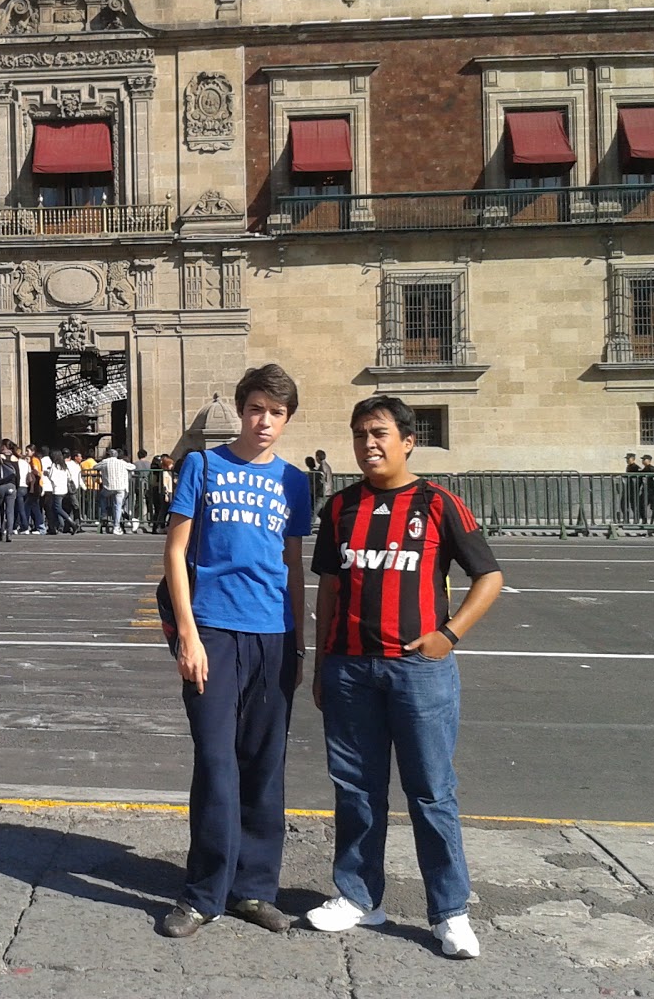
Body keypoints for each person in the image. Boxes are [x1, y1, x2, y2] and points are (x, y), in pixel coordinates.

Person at [307, 395, 504, 961]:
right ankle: (359, 897)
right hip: (349, 669)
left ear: (407, 440)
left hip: (420, 669)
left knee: (431, 791)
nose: (368, 443)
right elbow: (332, 587)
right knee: (356, 789)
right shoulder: (340, 507)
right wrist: (323, 663)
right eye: (359, 434)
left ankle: (450, 912)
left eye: (379, 433)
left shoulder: (439, 503)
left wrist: (451, 632)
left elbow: (488, 575)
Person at [157, 364, 312, 940]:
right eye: (256, 409)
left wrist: (298, 642)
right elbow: (176, 552)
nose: (264, 421)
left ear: (286, 419)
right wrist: (189, 635)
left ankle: (254, 890)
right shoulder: (203, 464)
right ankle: (202, 894)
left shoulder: (295, 482)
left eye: (276, 413)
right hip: (215, 631)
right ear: (242, 411)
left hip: (273, 634)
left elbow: (291, 564)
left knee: (264, 765)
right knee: (217, 764)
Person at [98, 448, 133, 535]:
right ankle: (116, 526)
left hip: (108, 487)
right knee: (118, 506)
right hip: (120, 487)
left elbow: (95, 466)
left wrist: (103, 469)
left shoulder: (105, 462)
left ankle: (104, 513)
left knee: (102, 496)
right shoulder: (121, 462)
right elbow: (133, 467)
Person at [40, 450, 72, 535]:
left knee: (57, 508)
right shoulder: (64, 466)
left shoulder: (54, 465)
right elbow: (69, 477)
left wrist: (47, 474)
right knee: (57, 508)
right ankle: (61, 525)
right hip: (64, 489)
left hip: (56, 489)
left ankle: (70, 522)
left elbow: (52, 477)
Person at [639, 454, 654, 527]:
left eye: (644, 459)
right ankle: (645, 521)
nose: (642, 461)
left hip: (651, 491)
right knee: (642, 505)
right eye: (642, 459)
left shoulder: (651, 468)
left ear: (649, 461)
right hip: (647, 491)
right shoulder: (646, 468)